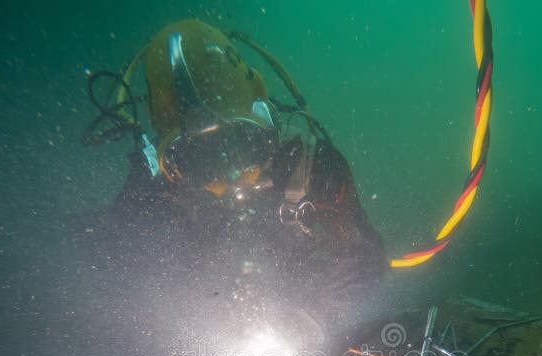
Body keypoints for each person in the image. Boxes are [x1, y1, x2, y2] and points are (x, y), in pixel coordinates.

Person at [83, 18, 386, 338]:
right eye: (200, 159)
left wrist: (312, 323)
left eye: (243, 144)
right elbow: (110, 272)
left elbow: (364, 262)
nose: (230, 175)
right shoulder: (154, 197)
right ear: (168, 163)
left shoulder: (311, 167)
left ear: (266, 123)